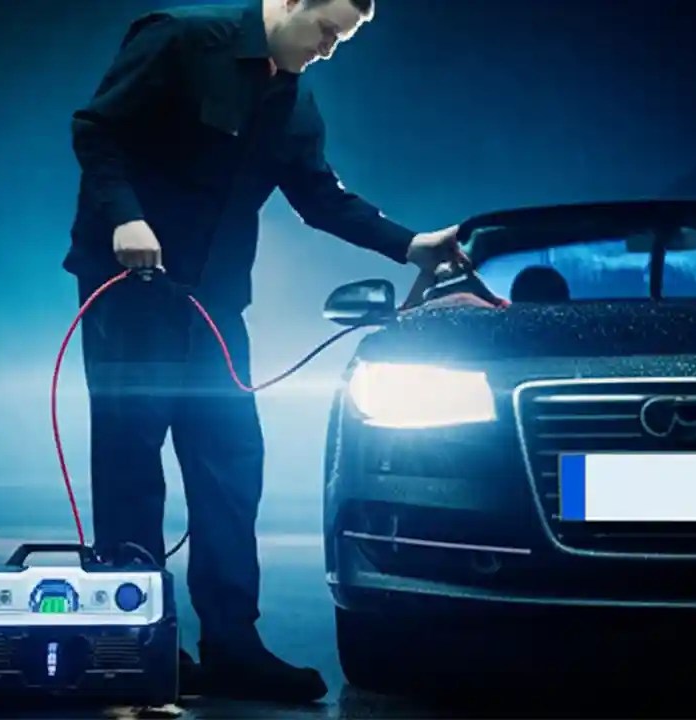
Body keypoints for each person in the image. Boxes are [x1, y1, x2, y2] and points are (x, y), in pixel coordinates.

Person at [63, 0, 464, 703]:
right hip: (130, 295)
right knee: (130, 462)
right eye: (328, 30)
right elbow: (98, 130)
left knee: (231, 465)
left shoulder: (293, 101)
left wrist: (410, 244)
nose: (332, 48)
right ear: (292, 2)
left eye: (345, 38)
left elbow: (320, 196)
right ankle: (135, 642)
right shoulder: (182, 39)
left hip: (213, 307)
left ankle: (233, 646)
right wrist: (126, 216)